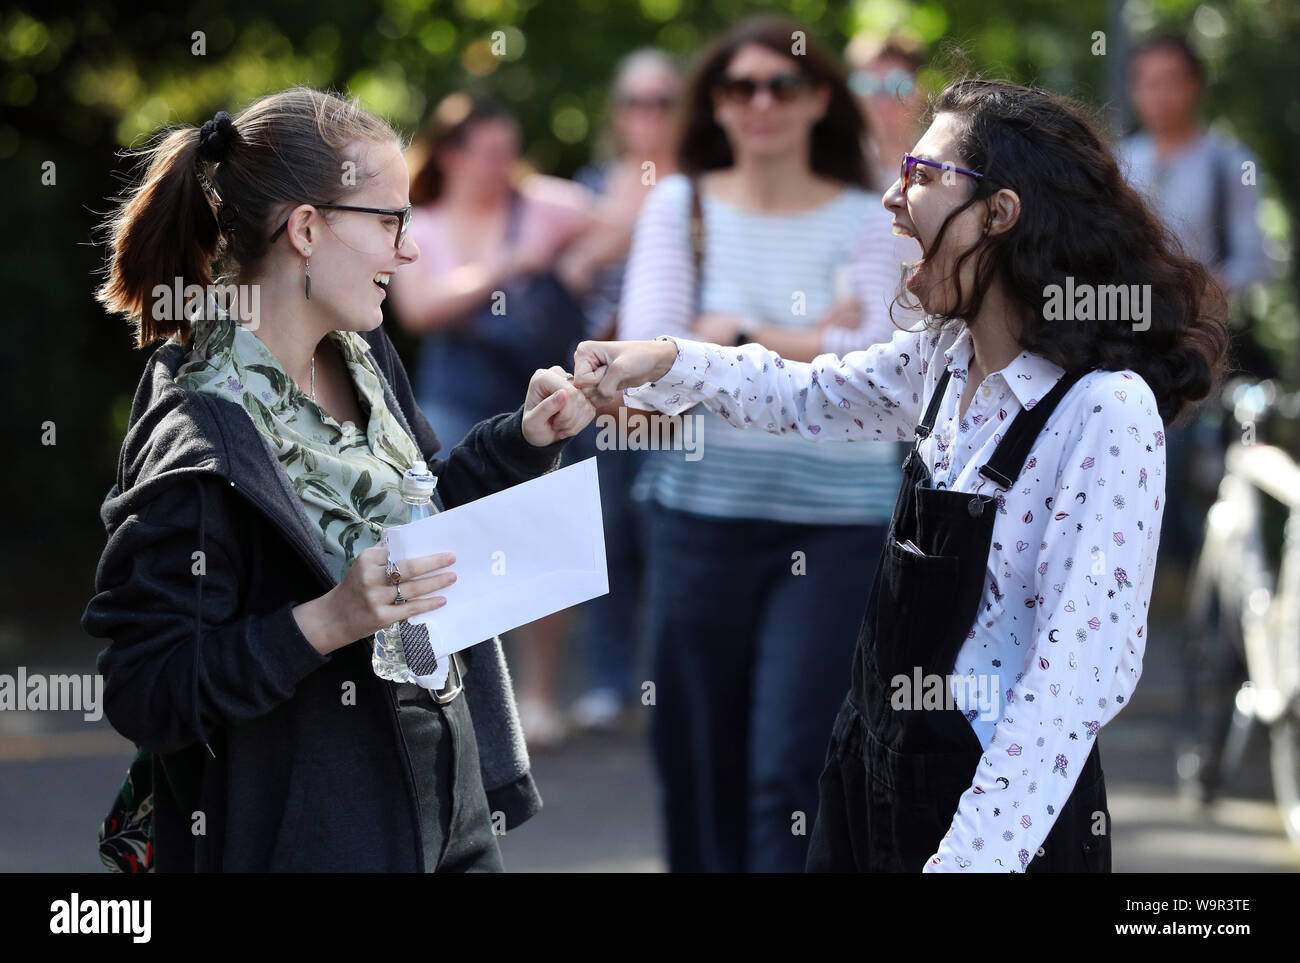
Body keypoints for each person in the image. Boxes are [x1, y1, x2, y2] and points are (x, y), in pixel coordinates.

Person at [575, 78, 1230, 872]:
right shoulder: (943, 360)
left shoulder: (1104, 411)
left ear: (1000, 213)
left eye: (922, 175)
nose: (891, 196)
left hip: (996, 825)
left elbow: (1074, 687)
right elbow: (803, 394)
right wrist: (663, 359)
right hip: (870, 780)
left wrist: (967, 861)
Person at [83, 88, 595, 872]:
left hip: (446, 804)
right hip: (315, 839)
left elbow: (424, 521)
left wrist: (520, 442)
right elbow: (146, 688)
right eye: (391, 220)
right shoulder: (199, 427)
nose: (410, 249)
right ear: (307, 228)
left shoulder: (359, 352)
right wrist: (326, 621)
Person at [615, 16, 915, 873]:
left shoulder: (872, 217)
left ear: (821, 97)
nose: (759, 102)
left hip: (837, 531)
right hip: (696, 523)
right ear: (714, 102)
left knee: (792, 767)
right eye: (737, 86)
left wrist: (729, 333)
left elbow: (875, 371)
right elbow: (643, 369)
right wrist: (802, 337)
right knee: (697, 761)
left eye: (780, 85)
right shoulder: (683, 204)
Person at [389, 93, 595, 749]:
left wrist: (575, 266)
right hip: (455, 393)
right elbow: (418, 309)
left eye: (510, 152)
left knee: (547, 532)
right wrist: (510, 267)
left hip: (536, 386)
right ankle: (446, 689)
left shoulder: (549, 205)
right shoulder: (422, 223)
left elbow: (627, 218)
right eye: (488, 153)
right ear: (451, 154)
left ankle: (537, 696)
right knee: (445, 537)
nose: (502, 166)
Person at [559, 48, 684, 732]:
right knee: (602, 534)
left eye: (663, 101)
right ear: (619, 112)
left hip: (680, 395)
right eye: (637, 102)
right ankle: (612, 681)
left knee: (667, 535)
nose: (649, 116)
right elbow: (571, 274)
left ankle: (666, 684)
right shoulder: (592, 184)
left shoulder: (703, 185)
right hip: (604, 393)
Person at [1117, 34, 1270, 577]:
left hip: (1195, 348)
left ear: (1194, 87)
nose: (1160, 96)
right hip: (1122, 344)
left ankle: (1184, 574)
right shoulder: (1118, 162)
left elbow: (1255, 263)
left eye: (1171, 81)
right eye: (1148, 83)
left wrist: (1191, 296)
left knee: (1178, 459)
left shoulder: (1229, 163)